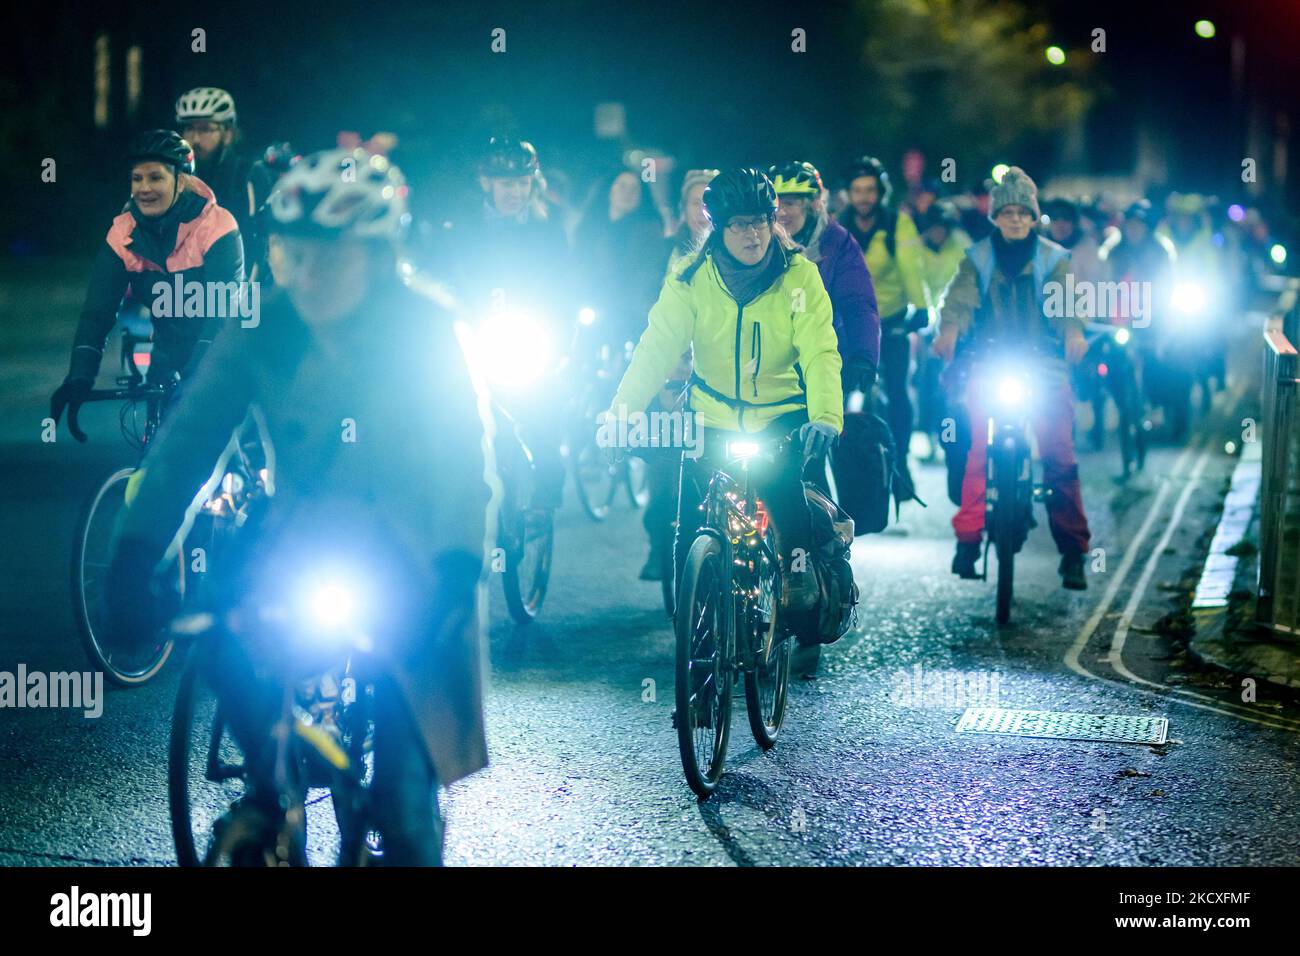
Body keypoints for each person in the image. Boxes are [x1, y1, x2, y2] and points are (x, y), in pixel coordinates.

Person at [102, 147, 494, 866]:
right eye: (293, 254)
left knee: (405, 812)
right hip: (303, 535)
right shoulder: (264, 328)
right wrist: (135, 551)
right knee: (221, 630)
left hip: (416, 551)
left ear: (376, 258)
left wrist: (456, 566)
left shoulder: (424, 331)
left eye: (330, 257)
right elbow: (188, 442)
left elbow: (461, 466)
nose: (308, 274)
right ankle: (269, 789)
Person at [604, 168, 843, 618]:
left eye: (760, 221)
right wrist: (622, 414)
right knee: (690, 524)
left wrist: (827, 415)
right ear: (718, 226)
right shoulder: (689, 276)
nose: (753, 233)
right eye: (739, 224)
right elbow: (655, 349)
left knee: (784, 493)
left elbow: (820, 350)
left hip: (781, 414)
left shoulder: (800, 276)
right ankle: (690, 616)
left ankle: (797, 580)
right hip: (710, 414)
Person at [931, 167, 1091, 590]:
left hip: (1044, 366)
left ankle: (1074, 552)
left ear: (1034, 216)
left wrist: (1074, 333)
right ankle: (967, 541)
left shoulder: (1055, 259)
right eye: (1007, 212)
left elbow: (1067, 306)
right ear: (996, 217)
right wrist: (949, 330)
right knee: (976, 454)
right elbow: (960, 300)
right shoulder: (977, 258)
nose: (1015, 219)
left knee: (1059, 455)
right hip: (990, 362)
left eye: (1023, 212)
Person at [49, 130, 244, 428]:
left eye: (155, 178)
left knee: (215, 453)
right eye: (136, 178)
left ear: (180, 181)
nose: (144, 188)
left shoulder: (218, 226)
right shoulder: (122, 233)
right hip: (166, 365)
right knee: (156, 464)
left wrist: (196, 380)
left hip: (223, 358)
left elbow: (220, 317)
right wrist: (79, 376)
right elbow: (97, 314)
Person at [447, 135, 573, 510]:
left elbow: (564, 288)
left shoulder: (548, 229)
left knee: (543, 415)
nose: (515, 192)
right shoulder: (462, 229)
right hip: (478, 338)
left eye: (522, 183)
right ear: (487, 184)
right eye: (506, 184)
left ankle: (545, 496)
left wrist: (563, 340)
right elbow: (450, 281)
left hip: (532, 339)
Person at [839, 156, 930, 498]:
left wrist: (920, 307)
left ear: (881, 193)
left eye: (870, 190)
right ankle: (845, 465)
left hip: (890, 318)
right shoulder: (838, 227)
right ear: (849, 194)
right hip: (849, 323)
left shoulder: (897, 224)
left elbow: (911, 267)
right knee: (840, 394)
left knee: (898, 389)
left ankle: (901, 461)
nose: (864, 197)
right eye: (857, 191)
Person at [771, 160, 880, 393]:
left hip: (823, 362)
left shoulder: (838, 243)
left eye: (789, 203)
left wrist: (863, 357)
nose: (781, 212)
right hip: (769, 366)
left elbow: (857, 303)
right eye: (775, 204)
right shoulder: (758, 242)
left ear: (813, 205)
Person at [575, 167, 672, 350]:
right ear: (609, 190)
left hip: (630, 312)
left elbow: (649, 271)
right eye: (622, 186)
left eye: (634, 189)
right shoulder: (589, 228)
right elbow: (579, 264)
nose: (627, 193)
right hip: (592, 306)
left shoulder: (649, 232)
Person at [174, 87, 274, 243]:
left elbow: (259, 237)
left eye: (205, 129)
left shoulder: (248, 173)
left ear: (227, 133)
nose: (195, 139)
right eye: (189, 129)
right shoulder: (176, 174)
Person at [914, 200, 970, 462]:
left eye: (942, 228)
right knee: (926, 380)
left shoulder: (962, 245)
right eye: (934, 228)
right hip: (928, 325)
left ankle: (960, 434)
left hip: (958, 324)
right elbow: (913, 281)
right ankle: (928, 434)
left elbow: (969, 280)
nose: (938, 233)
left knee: (959, 382)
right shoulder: (916, 250)